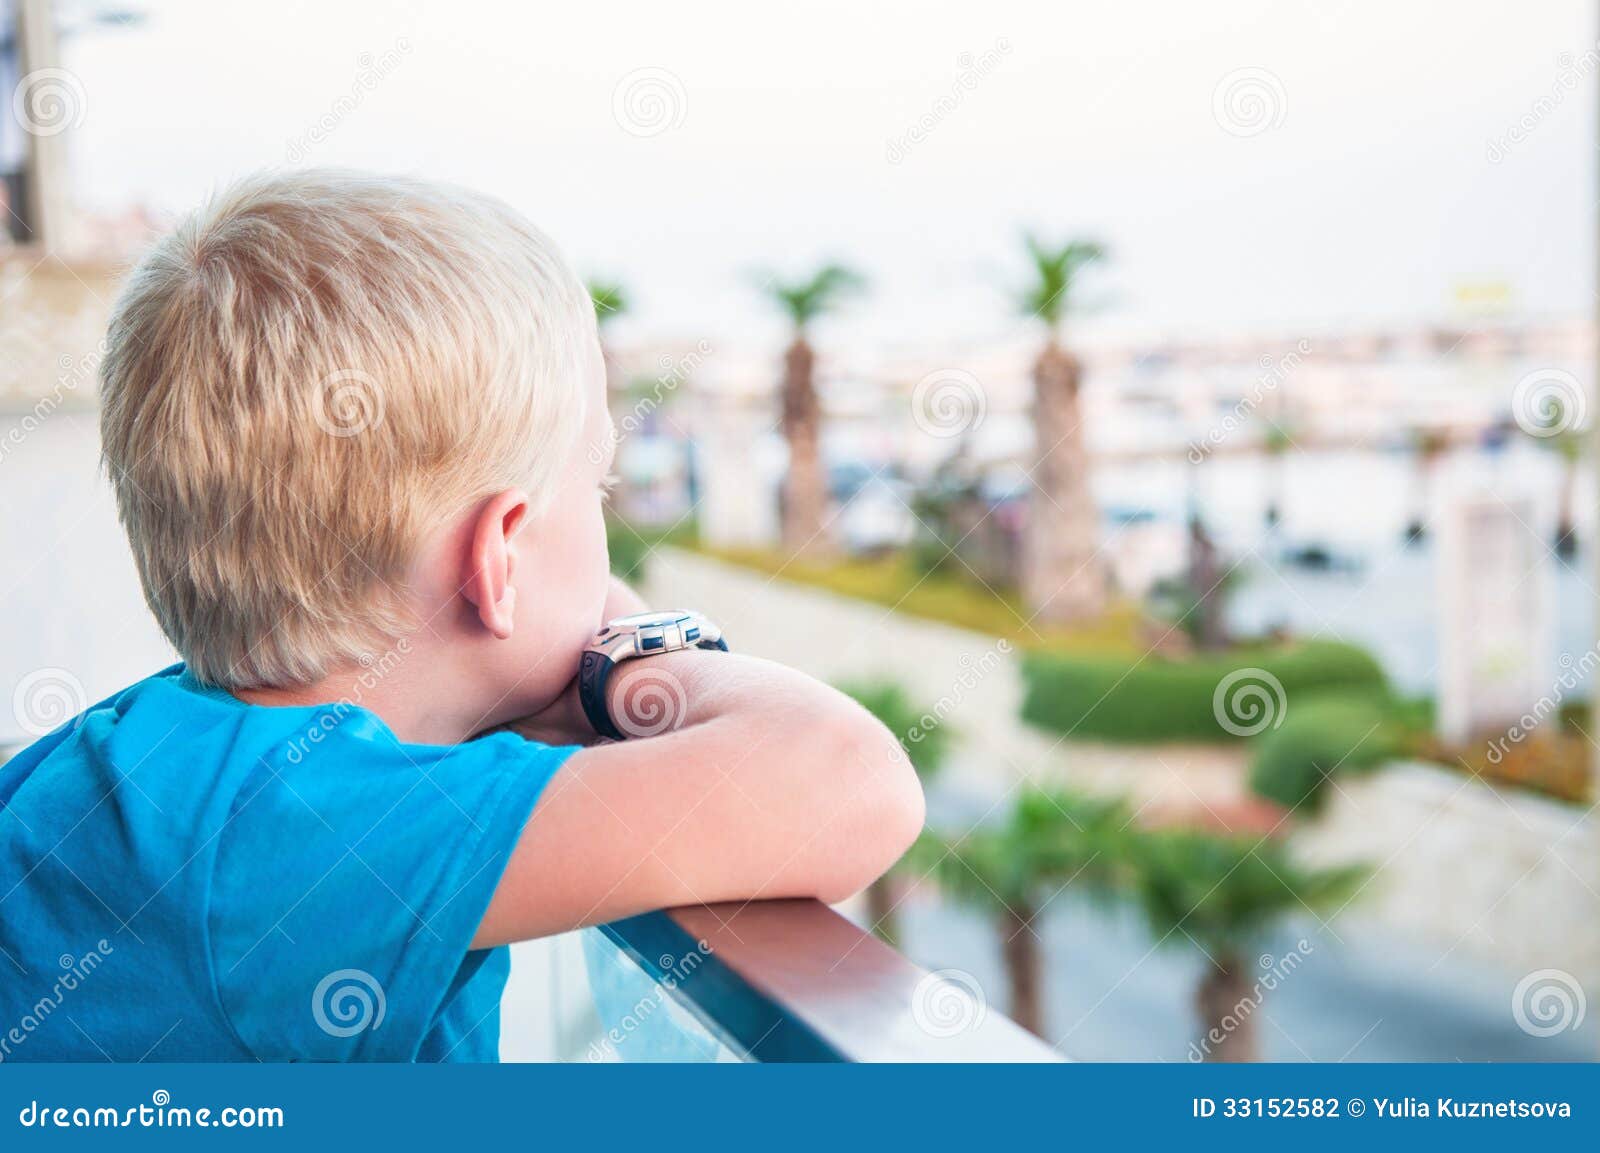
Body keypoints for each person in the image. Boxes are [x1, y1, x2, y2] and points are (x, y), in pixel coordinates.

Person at [0, 170, 923, 1061]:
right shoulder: (307, 831)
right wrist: (632, 670)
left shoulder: (155, 766)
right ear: (499, 557)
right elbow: (855, 788)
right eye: (595, 486)